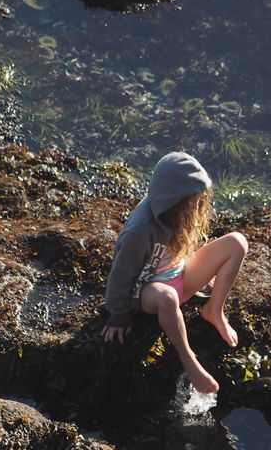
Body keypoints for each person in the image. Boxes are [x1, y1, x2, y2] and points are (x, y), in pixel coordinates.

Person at [101, 152, 248, 394]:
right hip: (148, 293)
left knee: (237, 242)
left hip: (180, 276)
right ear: (174, 199)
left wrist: (200, 270)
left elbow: (176, 251)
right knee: (168, 297)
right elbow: (121, 274)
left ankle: (214, 310)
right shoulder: (139, 231)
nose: (199, 204)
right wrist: (118, 314)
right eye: (193, 199)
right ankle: (188, 360)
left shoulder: (175, 213)